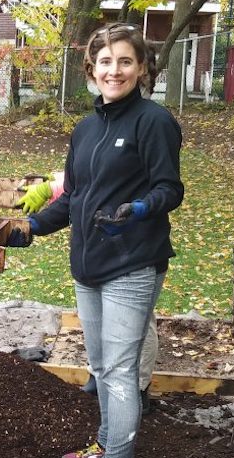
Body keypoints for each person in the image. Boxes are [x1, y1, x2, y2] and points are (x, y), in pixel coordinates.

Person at [7, 22, 184, 458]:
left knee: (122, 371)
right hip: (88, 263)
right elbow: (76, 196)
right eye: (105, 62)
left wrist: (140, 209)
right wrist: (32, 227)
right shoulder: (86, 128)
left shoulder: (153, 121)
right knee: (104, 366)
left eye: (125, 61)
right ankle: (108, 445)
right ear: (91, 69)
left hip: (132, 261)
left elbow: (171, 187)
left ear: (142, 68)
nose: (114, 70)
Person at [16, 172, 159, 413]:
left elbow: (114, 174)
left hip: (131, 244)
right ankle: (97, 379)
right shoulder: (86, 134)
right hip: (94, 242)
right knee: (98, 318)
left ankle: (138, 389)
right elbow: (84, 179)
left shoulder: (145, 134)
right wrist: (53, 190)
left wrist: (52, 188)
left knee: (137, 323)